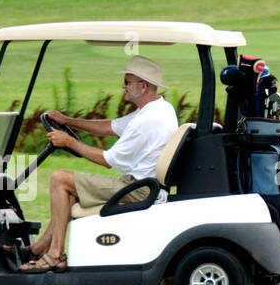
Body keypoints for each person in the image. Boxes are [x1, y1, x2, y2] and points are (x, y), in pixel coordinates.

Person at [19, 55, 178, 273]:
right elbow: (109, 127)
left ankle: (55, 255)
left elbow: (106, 160)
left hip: (140, 190)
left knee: (59, 179)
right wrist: (68, 122)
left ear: (143, 86)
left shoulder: (146, 122)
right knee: (70, 191)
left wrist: (69, 142)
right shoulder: (159, 109)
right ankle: (38, 249)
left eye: (127, 81)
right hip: (143, 184)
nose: (123, 86)